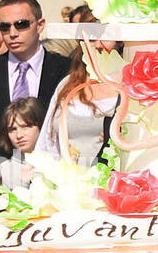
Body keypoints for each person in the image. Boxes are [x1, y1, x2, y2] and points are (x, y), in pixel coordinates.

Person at [35, 27, 121, 165]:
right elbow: (46, 143)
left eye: (105, 36)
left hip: (111, 179)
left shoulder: (129, 87)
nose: (98, 45)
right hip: (67, 180)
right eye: (92, 38)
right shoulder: (67, 84)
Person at [0, 0, 71, 115]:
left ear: (40, 25)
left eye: (21, 24)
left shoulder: (67, 69)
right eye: (4, 27)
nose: (12, 33)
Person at [0, 96, 45, 185]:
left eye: (25, 126)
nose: (19, 135)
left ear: (40, 126)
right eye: (12, 129)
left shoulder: (58, 164)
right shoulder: (2, 173)